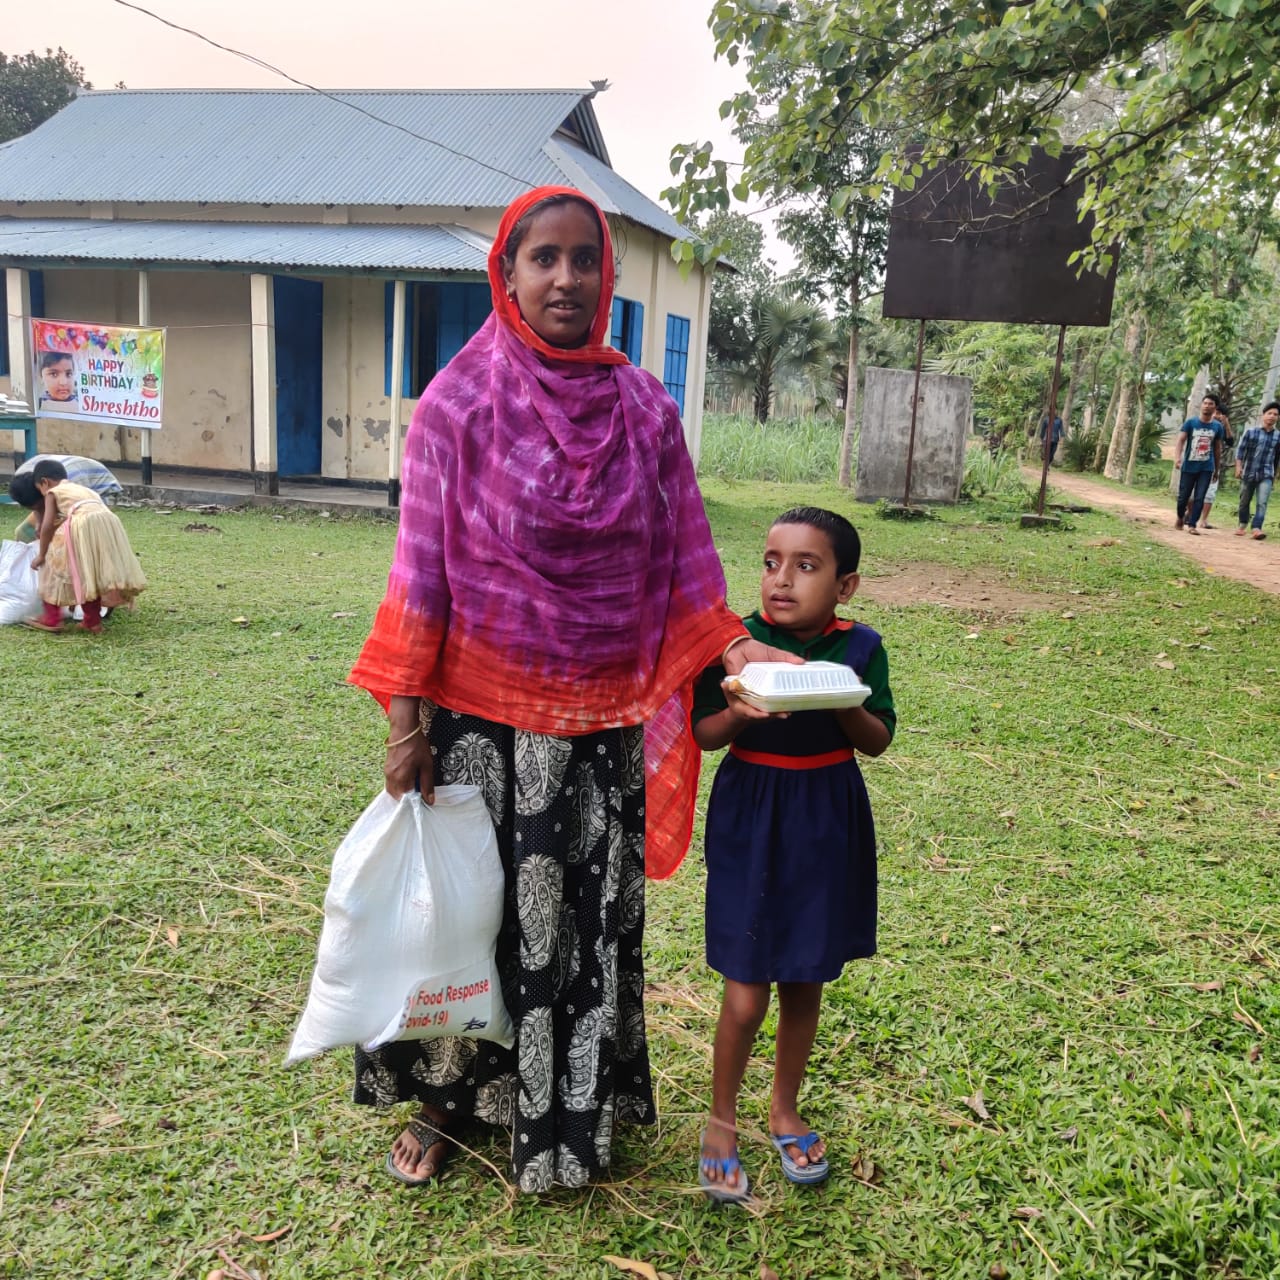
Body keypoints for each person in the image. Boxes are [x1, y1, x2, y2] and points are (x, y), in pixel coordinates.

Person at [347, 185, 794, 1193]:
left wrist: (737, 654)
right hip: (478, 723)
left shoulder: (642, 409)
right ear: (505, 275)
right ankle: (444, 1099)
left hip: (600, 730)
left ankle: (572, 1106)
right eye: (541, 258)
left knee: (582, 929)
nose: (564, 277)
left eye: (582, 259)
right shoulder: (458, 404)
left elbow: (685, 567)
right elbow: (419, 574)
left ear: (606, 277)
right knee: (466, 918)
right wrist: (405, 726)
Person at [690, 508, 896, 1202]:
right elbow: (706, 733)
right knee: (746, 992)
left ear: (846, 585)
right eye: (772, 561)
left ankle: (784, 1108)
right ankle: (720, 1122)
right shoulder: (736, 641)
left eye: (807, 566)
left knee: (804, 979)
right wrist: (738, 713)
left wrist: (841, 698)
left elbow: (877, 739)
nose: (782, 580)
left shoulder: (861, 647)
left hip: (825, 820)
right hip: (752, 815)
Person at [10, 458, 146, 632]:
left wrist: (42, 555)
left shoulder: (52, 492)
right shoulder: (81, 488)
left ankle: (52, 619)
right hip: (109, 524)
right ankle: (92, 621)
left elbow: (47, 526)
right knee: (90, 573)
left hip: (81, 524)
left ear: (44, 483)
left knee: (52, 570)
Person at [1173, 393, 1225, 534]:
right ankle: (1180, 516)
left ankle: (1192, 524)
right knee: (1183, 496)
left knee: (1200, 497)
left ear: (1215, 408)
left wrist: (1217, 468)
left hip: (1206, 467)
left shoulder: (1217, 427)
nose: (1207, 406)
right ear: (1201, 405)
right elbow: (1181, 441)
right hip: (1189, 465)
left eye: (1211, 404)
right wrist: (1177, 458)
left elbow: (1217, 448)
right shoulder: (1191, 423)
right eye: (1205, 403)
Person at [1234, 400, 1280, 540]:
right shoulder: (1251, 432)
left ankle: (1256, 528)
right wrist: (1238, 467)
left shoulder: (1278, 436)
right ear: (1263, 415)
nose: (1272, 416)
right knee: (1244, 500)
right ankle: (1242, 524)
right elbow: (1240, 451)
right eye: (1269, 413)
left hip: (1266, 474)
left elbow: (1277, 457)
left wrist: (1276, 474)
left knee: (1262, 502)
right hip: (1248, 472)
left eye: (1275, 414)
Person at [1199, 408, 1234, 529]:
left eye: (1219, 414)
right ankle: (1190, 514)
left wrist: (1227, 424)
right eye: (1215, 413)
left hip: (1214, 465)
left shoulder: (1221, 429)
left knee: (1210, 493)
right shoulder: (1201, 425)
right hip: (1198, 463)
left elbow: (1230, 442)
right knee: (1194, 491)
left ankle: (1204, 520)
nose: (1217, 416)